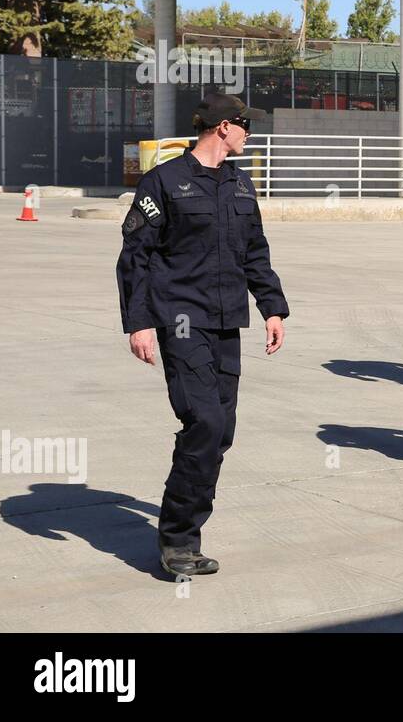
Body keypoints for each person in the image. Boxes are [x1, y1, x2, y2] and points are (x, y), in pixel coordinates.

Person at [117, 93, 289, 578]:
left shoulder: (240, 184)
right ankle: (178, 540)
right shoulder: (165, 182)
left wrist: (273, 308)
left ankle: (186, 530)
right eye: (244, 126)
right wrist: (139, 322)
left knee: (219, 432)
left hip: (226, 322)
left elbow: (255, 251)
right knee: (205, 422)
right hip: (180, 321)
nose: (248, 134)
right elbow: (135, 257)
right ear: (221, 128)